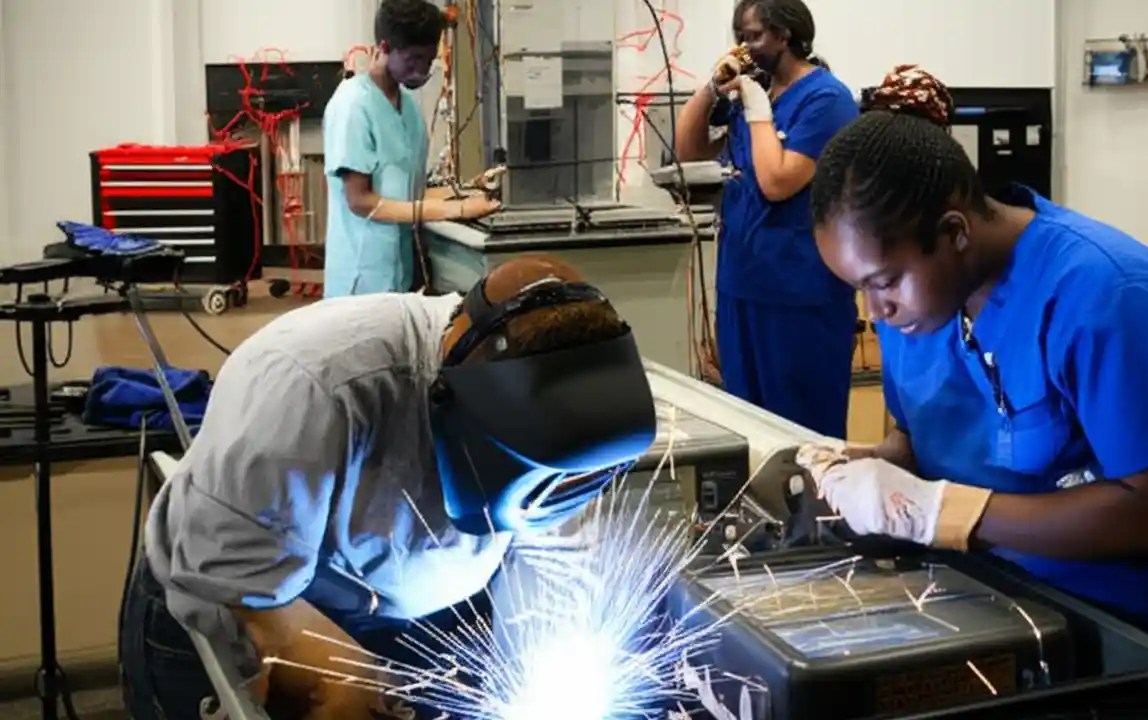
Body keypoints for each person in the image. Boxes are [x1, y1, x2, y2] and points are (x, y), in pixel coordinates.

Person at [799, 65, 1148, 700]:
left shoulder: (1109, 294)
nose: (874, 311)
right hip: (1029, 610)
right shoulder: (918, 308)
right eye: (859, 289)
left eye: (882, 283)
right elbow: (924, 433)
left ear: (953, 233)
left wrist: (948, 513)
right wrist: (873, 474)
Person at [119, 255, 658, 719]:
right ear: (450, 388)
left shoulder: (576, 420)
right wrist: (342, 677)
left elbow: (557, 561)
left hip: (406, 618)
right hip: (240, 601)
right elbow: (242, 595)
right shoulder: (315, 389)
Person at [674, 0, 859, 439]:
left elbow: (777, 181)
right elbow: (688, 151)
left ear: (786, 34)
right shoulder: (753, 91)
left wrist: (757, 108)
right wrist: (712, 90)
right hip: (743, 286)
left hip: (798, 295)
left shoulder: (826, 100)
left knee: (801, 434)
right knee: (745, 429)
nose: (745, 48)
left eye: (754, 36)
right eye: (740, 35)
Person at [323, 0, 503, 298]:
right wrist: (455, 208)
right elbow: (361, 201)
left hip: (400, 273)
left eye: (428, 59)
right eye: (413, 59)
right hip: (362, 276)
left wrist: (471, 192)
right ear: (384, 47)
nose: (421, 69)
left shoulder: (408, 109)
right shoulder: (353, 106)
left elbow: (408, 193)